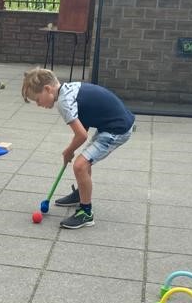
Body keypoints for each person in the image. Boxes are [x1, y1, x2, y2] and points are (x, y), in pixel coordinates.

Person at [21, 68, 135, 230]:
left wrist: (68, 151)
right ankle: (82, 194)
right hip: (113, 124)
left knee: (80, 165)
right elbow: (85, 118)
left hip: (117, 129)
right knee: (84, 162)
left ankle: (86, 213)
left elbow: (81, 135)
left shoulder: (63, 102)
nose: (39, 104)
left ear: (47, 89)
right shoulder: (69, 88)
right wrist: (72, 149)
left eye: (38, 99)